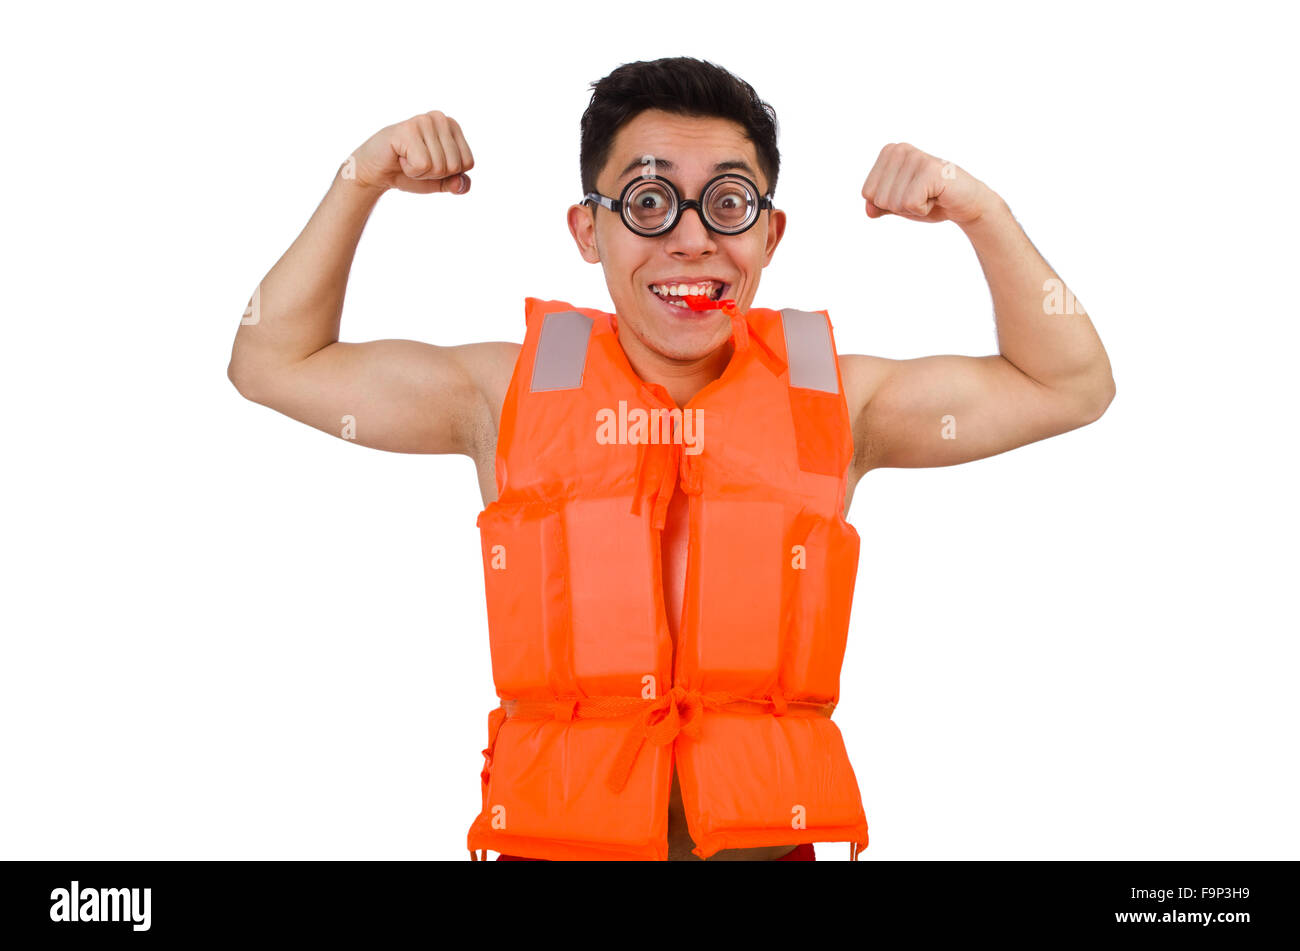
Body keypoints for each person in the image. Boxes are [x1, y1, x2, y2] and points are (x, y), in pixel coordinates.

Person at [227, 57, 1115, 861]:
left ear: (770, 234)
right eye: (649, 203)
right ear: (587, 231)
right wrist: (360, 180)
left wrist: (979, 210)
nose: (692, 241)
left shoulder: (841, 400)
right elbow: (271, 360)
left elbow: (1070, 384)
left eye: (728, 204)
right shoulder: (499, 393)